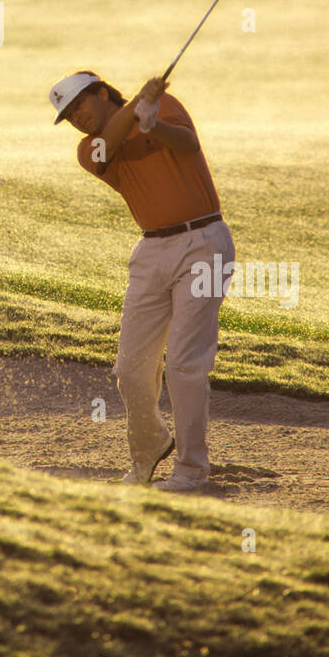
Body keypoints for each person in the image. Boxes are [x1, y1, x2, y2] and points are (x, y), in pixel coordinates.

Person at [48, 69, 235, 492]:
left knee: (185, 363)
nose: (76, 117)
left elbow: (188, 145)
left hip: (204, 242)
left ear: (101, 92)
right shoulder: (89, 150)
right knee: (131, 369)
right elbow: (106, 148)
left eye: (80, 104)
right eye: (68, 114)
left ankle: (191, 469)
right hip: (151, 252)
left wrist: (155, 124)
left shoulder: (164, 106)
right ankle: (150, 445)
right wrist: (136, 106)